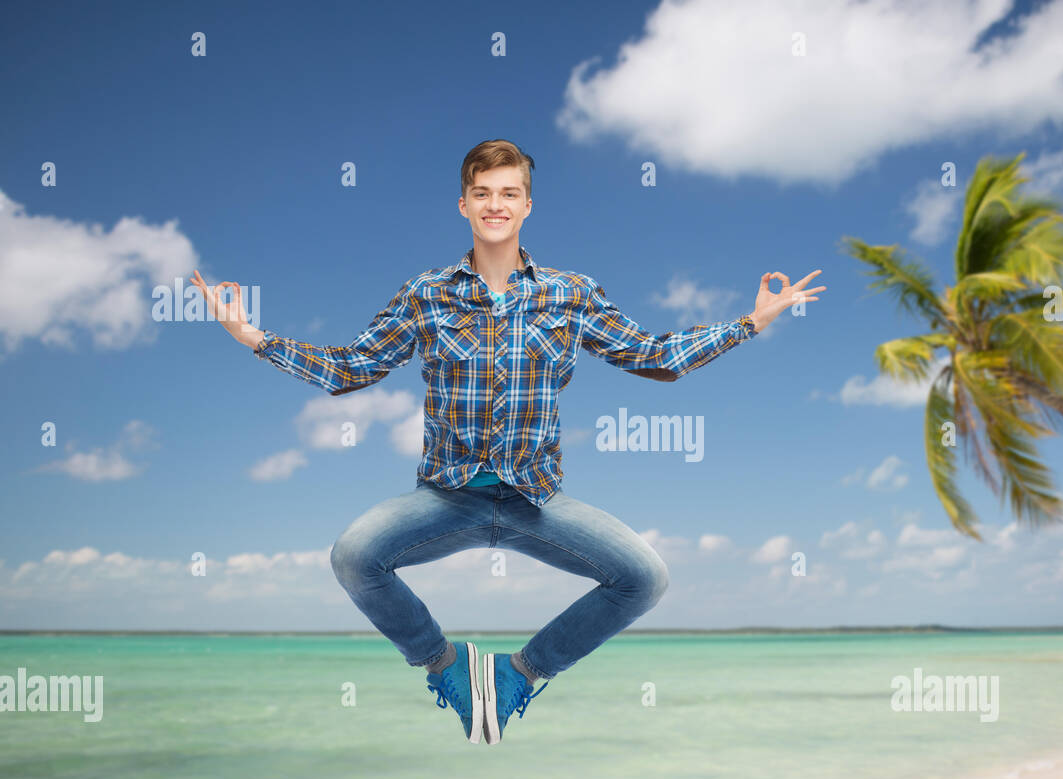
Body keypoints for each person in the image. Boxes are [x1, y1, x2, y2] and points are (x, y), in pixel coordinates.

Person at [191, 138, 825, 746]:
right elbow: (355, 366)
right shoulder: (428, 294)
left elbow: (654, 356)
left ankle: (518, 676)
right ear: (464, 205)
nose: (496, 204)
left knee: (644, 578)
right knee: (355, 556)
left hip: (535, 502)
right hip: (448, 499)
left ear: (527, 206)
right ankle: (447, 669)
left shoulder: (569, 294)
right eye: (482, 192)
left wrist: (748, 323)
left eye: (509, 192)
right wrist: (253, 336)